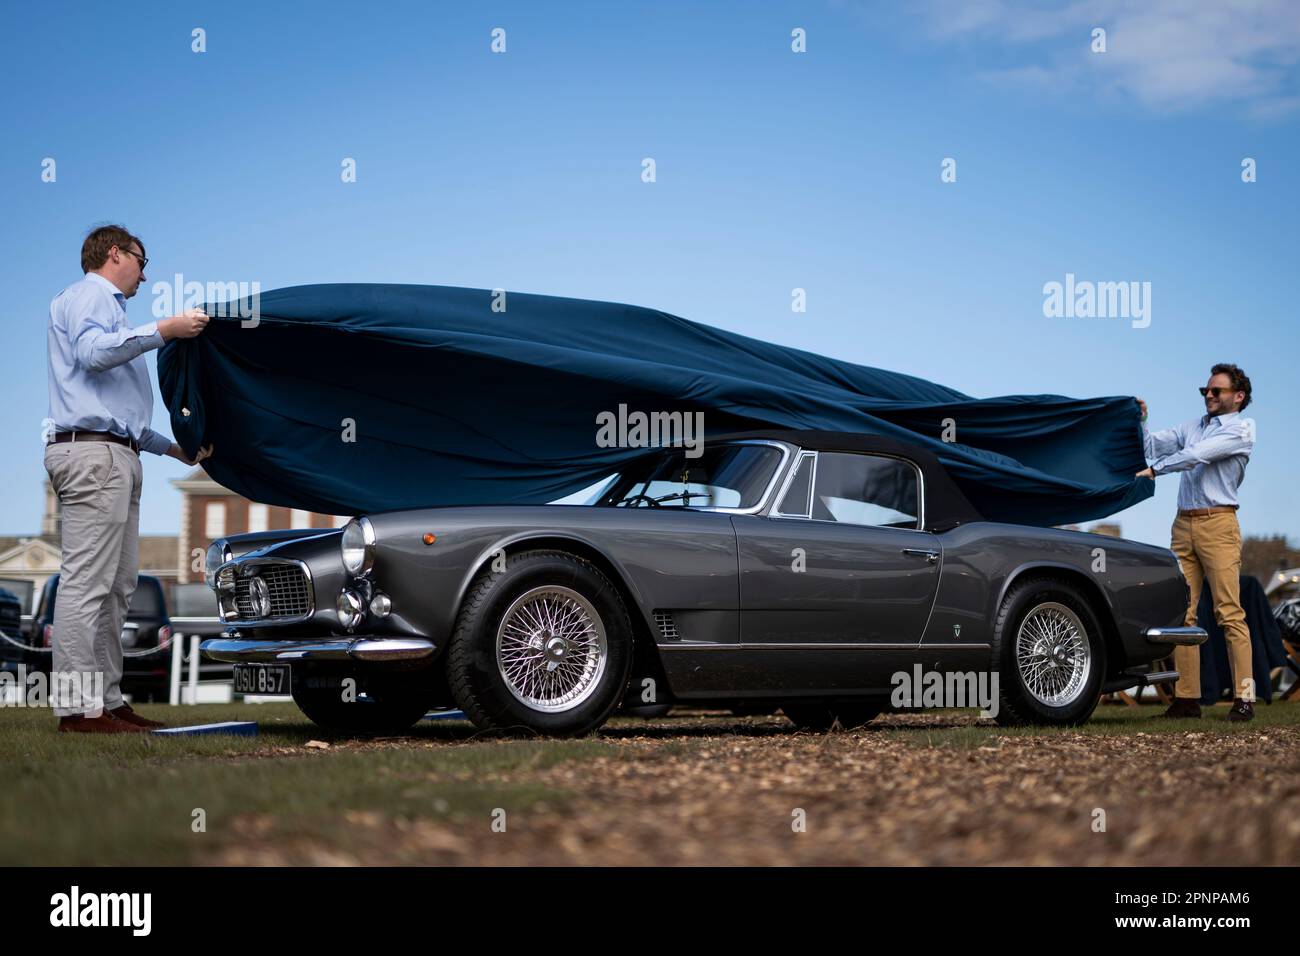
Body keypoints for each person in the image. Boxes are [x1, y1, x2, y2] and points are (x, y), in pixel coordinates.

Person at [45, 224, 214, 733]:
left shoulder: (111, 313)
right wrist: (164, 329)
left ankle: (108, 702)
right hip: (93, 457)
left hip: (115, 456)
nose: (145, 272)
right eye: (143, 260)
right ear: (115, 253)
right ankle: (78, 710)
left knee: (117, 588)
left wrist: (174, 450)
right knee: (87, 585)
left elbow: (124, 417)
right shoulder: (89, 297)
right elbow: (92, 355)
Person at [1136, 363, 1256, 721]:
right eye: (1205, 390)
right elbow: (1151, 444)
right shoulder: (1192, 426)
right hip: (1183, 524)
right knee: (1182, 615)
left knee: (1229, 613)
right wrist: (1140, 419)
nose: (1208, 395)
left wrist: (1157, 469)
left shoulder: (1241, 430)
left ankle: (1244, 698)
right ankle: (1187, 700)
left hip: (1219, 524)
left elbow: (1195, 456)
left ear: (1238, 396)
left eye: (1216, 391)